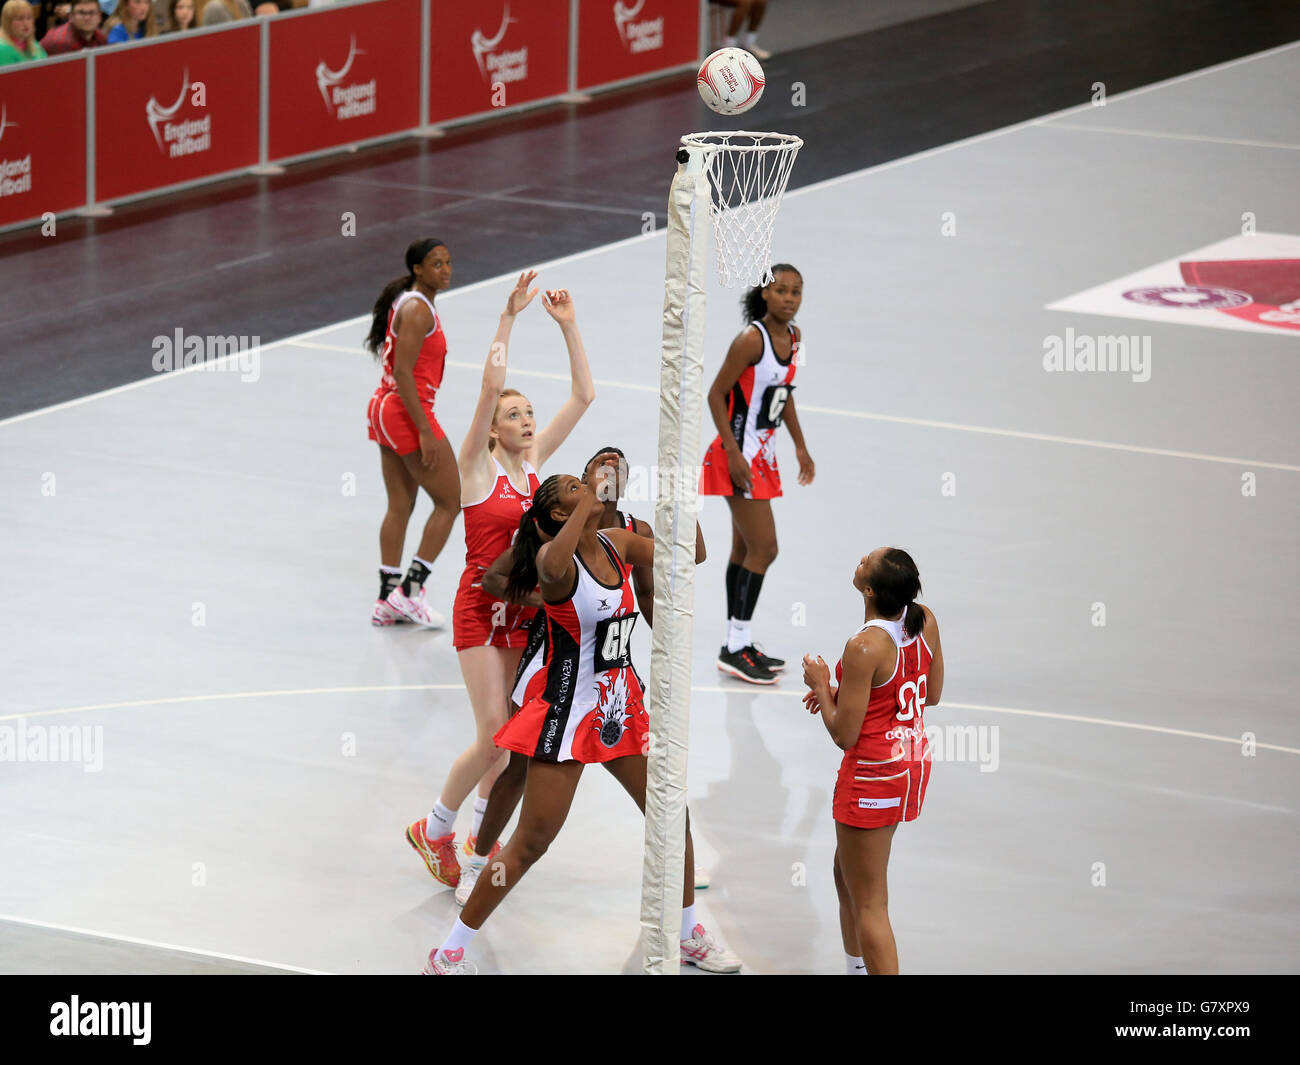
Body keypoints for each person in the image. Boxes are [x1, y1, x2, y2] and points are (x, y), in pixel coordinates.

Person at [423, 474, 741, 974]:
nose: (586, 485)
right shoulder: (555, 562)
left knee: (670, 816)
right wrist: (589, 498)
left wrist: (682, 501)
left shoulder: (617, 544)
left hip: (619, 708)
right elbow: (547, 563)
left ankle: (687, 935)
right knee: (531, 842)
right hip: (567, 715)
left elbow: (688, 554)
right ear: (556, 515)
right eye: (573, 487)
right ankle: (448, 953)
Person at [405, 274, 596, 896]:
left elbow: (584, 394)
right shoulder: (475, 467)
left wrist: (568, 326)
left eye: (527, 413)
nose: (523, 419)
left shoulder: (535, 464)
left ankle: (475, 848)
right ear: (492, 430)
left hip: (524, 613)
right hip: (480, 609)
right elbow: (489, 386)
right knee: (493, 737)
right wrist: (509, 318)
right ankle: (434, 828)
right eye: (512, 415)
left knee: (512, 745)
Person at [451, 446, 656, 904]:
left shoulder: (630, 532)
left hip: (605, 673)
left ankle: (674, 861)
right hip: (552, 662)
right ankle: (478, 859)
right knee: (518, 766)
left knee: (654, 787)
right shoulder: (552, 539)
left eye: (618, 469)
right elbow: (493, 579)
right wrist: (545, 603)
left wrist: (666, 650)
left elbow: (650, 591)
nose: (608, 474)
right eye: (597, 470)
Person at [801, 548, 944, 975]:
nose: (860, 558)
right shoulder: (926, 620)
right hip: (910, 762)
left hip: (872, 775)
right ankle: (856, 970)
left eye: (867, 561)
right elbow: (929, 694)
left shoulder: (864, 646)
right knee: (845, 875)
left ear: (869, 589)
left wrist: (823, 685)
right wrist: (848, 693)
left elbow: (844, 735)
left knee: (870, 902)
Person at [700, 263, 812, 684]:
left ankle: (738, 644)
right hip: (738, 458)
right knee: (765, 549)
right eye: (781, 290)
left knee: (744, 552)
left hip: (762, 457)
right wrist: (732, 452)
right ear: (765, 294)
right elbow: (715, 394)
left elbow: (784, 394)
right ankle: (735, 646)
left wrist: (800, 444)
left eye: (796, 292)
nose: (789, 298)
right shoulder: (751, 339)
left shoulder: (795, 338)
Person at [365, 238, 460, 629]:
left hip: (384, 408)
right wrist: (424, 429)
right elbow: (404, 371)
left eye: (448, 262)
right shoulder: (419, 310)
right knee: (450, 501)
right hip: (406, 411)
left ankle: (388, 597)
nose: (445, 269)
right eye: (436, 263)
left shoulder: (409, 302)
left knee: (400, 505)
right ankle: (411, 591)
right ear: (418, 269)